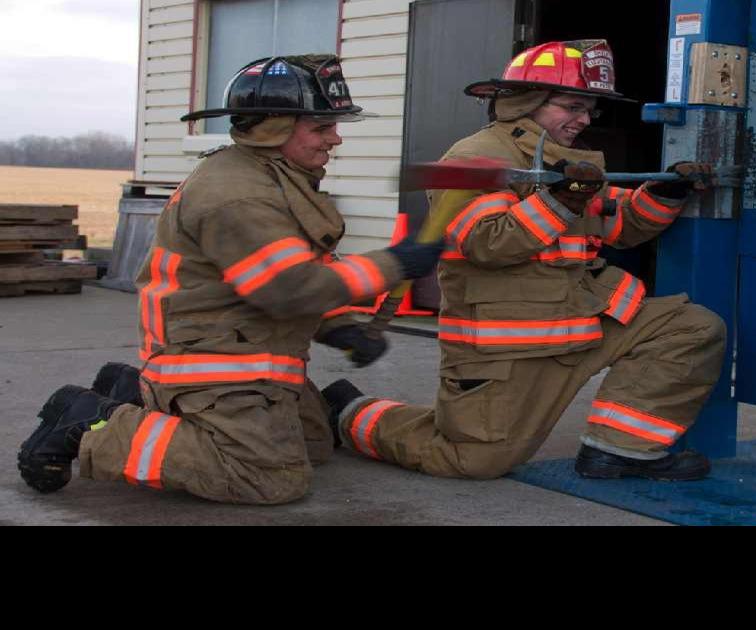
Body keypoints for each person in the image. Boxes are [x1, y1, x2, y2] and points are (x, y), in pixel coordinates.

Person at [17, 54, 443, 504]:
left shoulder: (276, 178)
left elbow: (292, 270)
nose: (335, 140)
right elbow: (289, 289)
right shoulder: (237, 196)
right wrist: (394, 264)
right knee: (267, 476)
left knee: (313, 446)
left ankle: (133, 394)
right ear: (274, 128)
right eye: (321, 128)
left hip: (251, 352)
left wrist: (338, 327)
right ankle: (88, 419)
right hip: (212, 365)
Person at [322, 39, 728, 481]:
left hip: (587, 319)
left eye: (590, 109)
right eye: (573, 105)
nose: (584, 119)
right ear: (526, 102)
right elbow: (487, 244)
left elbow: (622, 227)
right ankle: (348, 411)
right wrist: (563, 200)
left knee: (690, 327)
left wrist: (665, 193)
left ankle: (619, 452)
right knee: (470, 460)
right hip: (511, 346)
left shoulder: (567, 160)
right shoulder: (473, 159)